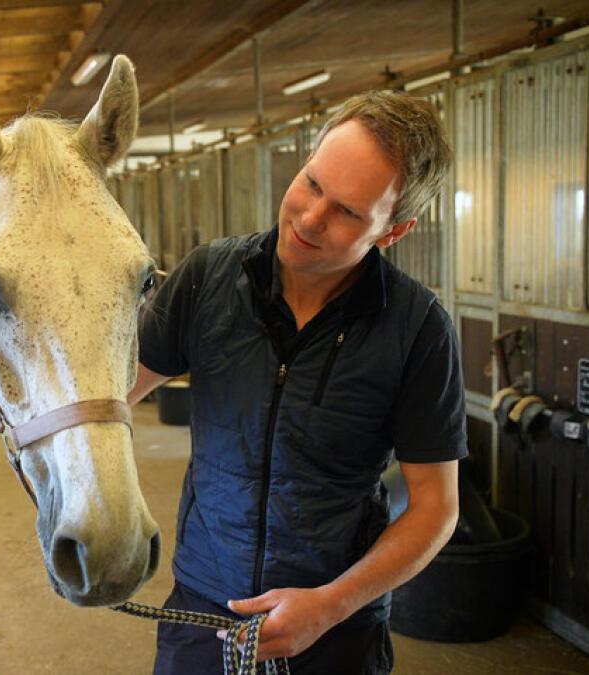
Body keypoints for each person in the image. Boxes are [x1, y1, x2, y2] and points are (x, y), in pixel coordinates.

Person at [130, 90, 465, 674]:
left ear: (393, 231)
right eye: (312, 184)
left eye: (348, 212)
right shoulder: (208, 278)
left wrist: (331, 606)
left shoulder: (418, 329)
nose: (310, 219)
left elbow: (435, 508)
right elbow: (110, 396)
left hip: (334, 631)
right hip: (205, 608)